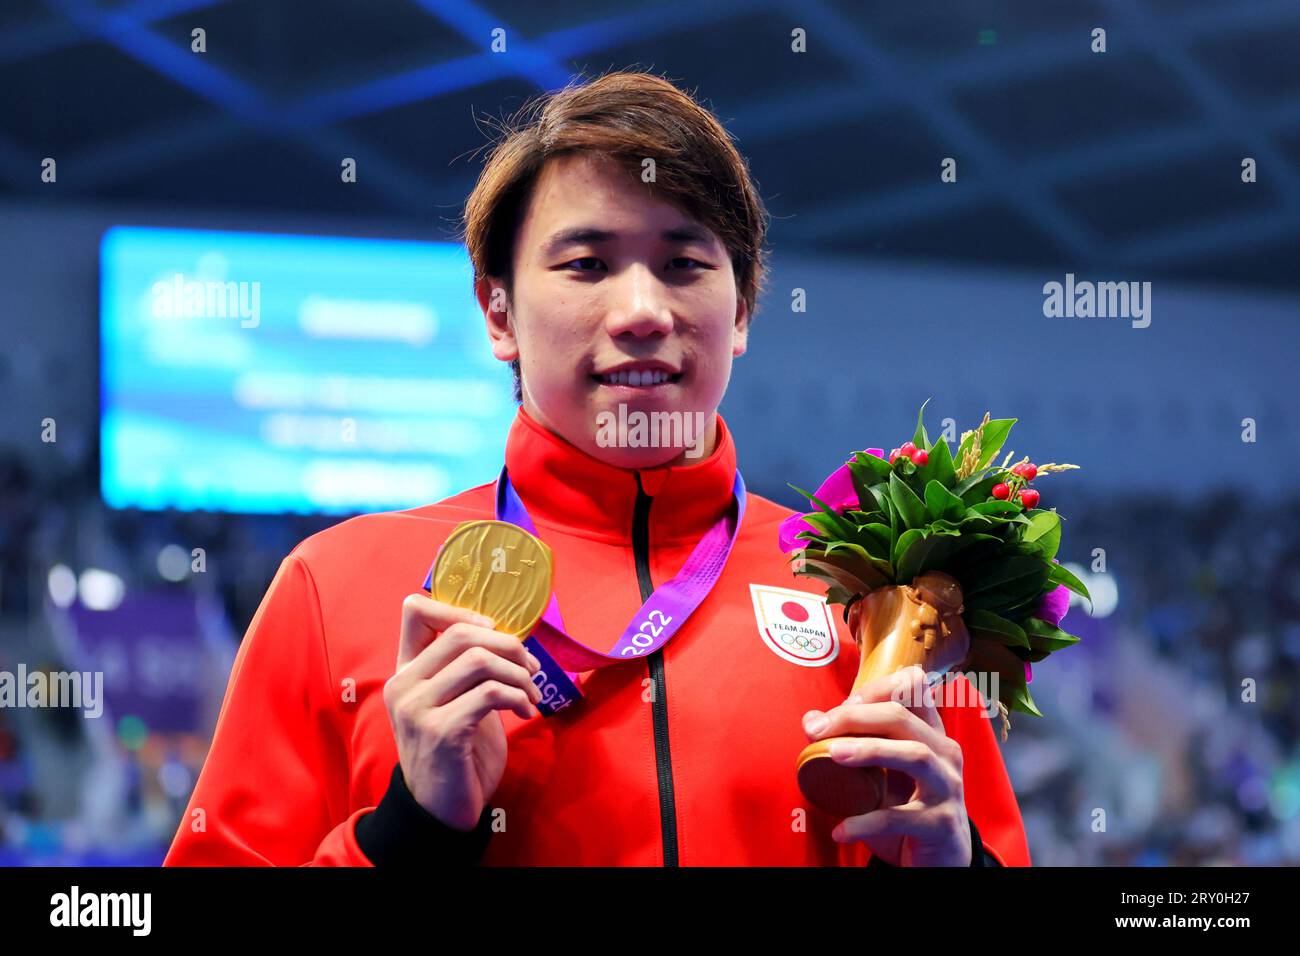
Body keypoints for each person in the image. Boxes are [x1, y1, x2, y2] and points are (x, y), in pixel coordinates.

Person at [163, 69, 1031, 867]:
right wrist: (411, 831)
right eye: (586, 265)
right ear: (497, 312)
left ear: (742, 313)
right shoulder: (333, 588)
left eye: (685, 263)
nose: (644, 311)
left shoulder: (876, 603)